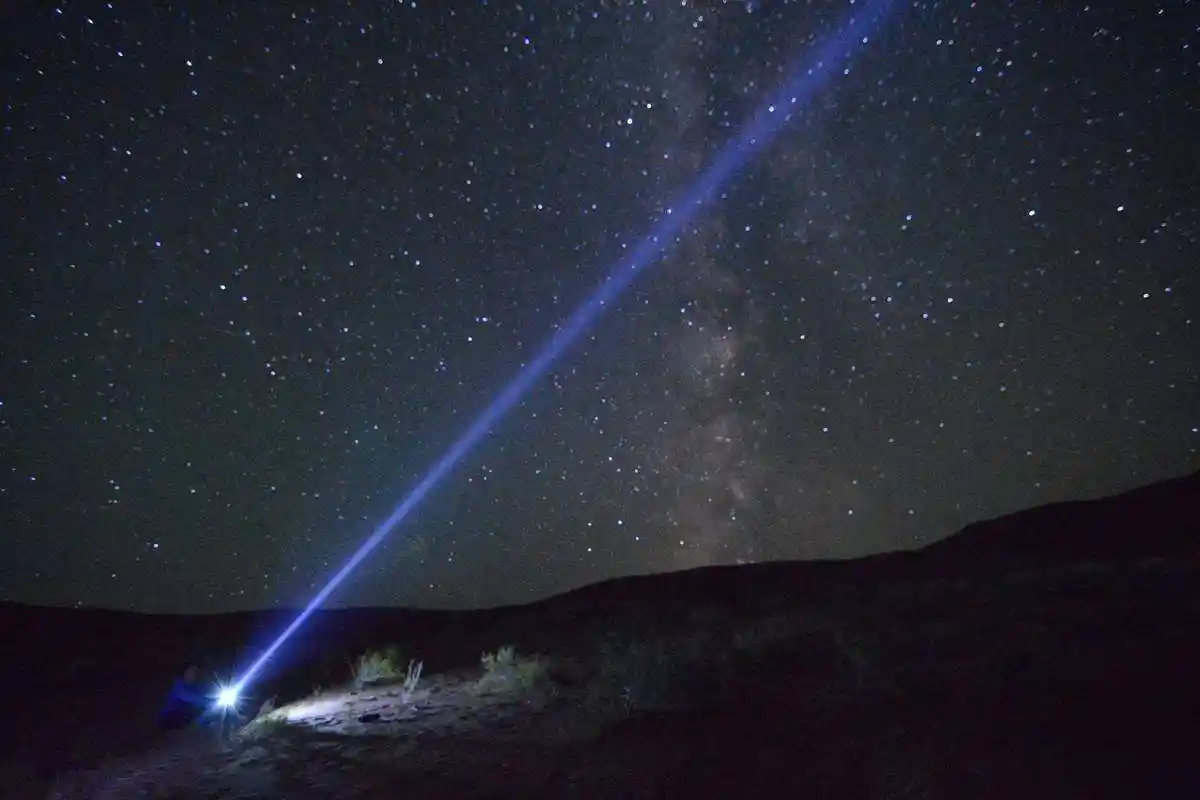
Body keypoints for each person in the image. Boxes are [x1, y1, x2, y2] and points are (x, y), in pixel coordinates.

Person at [156, 664, 211, 730]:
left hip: (181, 718)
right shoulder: (178, 684)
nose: (192, 674)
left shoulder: (194, 687)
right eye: (190, 671)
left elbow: (204, 694)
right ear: (184, 672)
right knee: (192, 706)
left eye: (195, 672)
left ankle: (203, 723)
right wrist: (210, 701)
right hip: (167, 719)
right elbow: (191, 698)